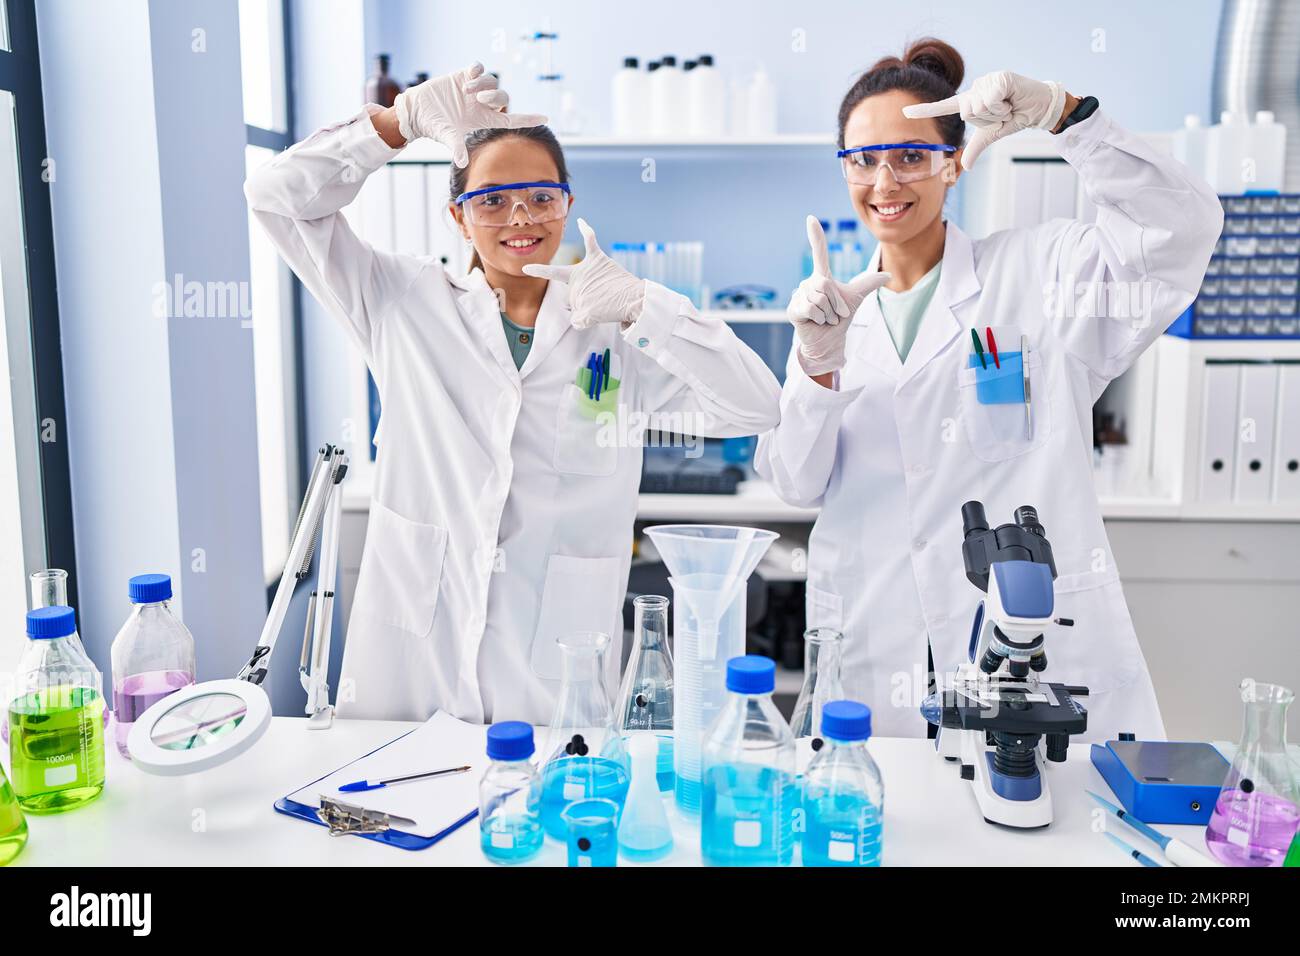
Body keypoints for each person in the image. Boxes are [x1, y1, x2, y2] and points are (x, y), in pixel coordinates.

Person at [246, 64, 780, 723]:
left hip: (553, 679)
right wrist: (396, 123)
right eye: (491, 201)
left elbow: (756, 405)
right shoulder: (401, 300)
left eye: (540, 197)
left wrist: (647, 306)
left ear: (568, 202)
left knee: (549, 818)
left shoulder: (620, 334)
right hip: (411, 676)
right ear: (458, 217)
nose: (519, 217)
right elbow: (276, 196)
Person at [755, 39, 1222, 741]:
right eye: (865, 159)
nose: (886, 180)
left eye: (911, 156)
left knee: (1041, 836)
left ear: (954, 163)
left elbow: (1176, 233)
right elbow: (794, 480)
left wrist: (1068, 116)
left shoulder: (1038, 276)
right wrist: (818, 365)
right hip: (875, 649)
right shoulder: (833, 316)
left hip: (1027, 652)